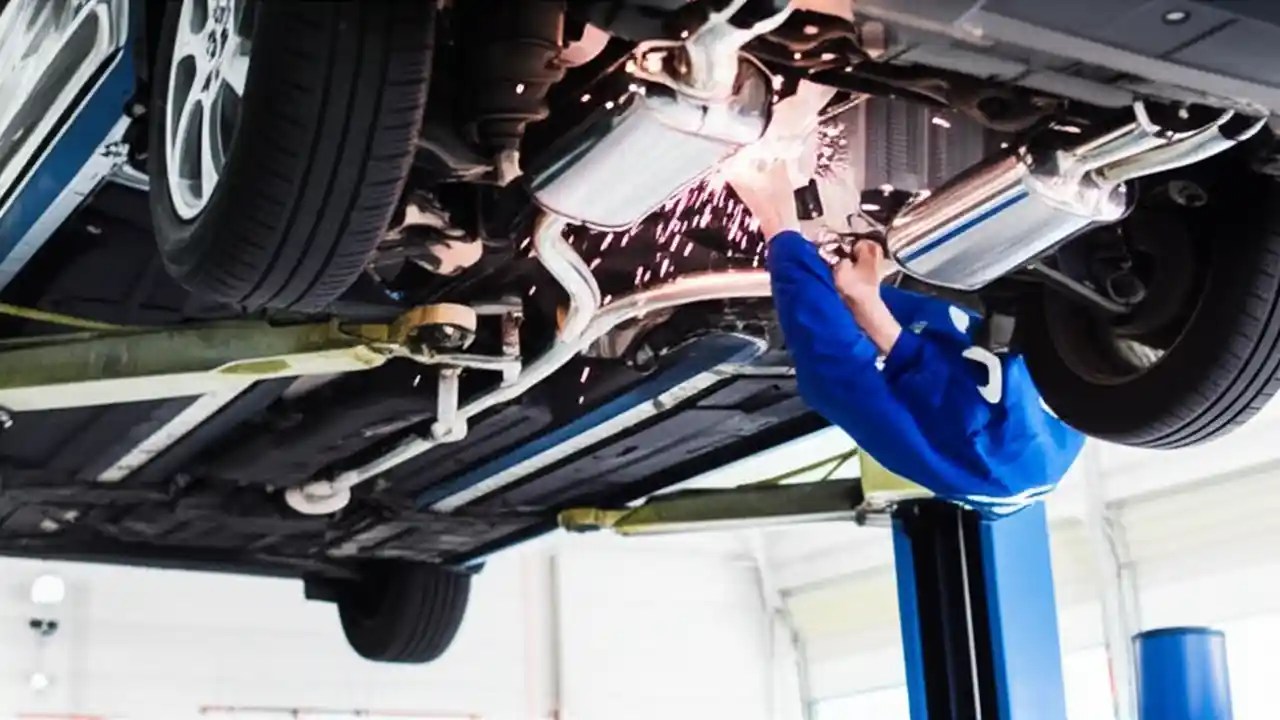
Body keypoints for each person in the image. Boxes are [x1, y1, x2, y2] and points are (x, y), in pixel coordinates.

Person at [728, 159, 1085, 514]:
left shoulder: (964, 439)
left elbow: (837, 368)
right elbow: (881, 357)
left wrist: (781, 230)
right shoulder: (1038, 387)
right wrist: (869, 292)